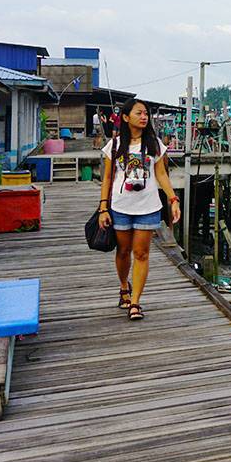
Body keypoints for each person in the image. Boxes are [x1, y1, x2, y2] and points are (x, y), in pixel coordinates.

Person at [98, 98, 181, 321]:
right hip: (120, 206)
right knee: (123, 252)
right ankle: (124, 287)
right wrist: (103, 208)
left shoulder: (155, 144)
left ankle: (135, 302)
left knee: (141, 253)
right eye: (139, 113)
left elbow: (162, 175)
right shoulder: (114, 146)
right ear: (126, 118)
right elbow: (107, 178)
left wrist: (173, 199)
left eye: (146, 114)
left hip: (148, 206)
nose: (144, 117)